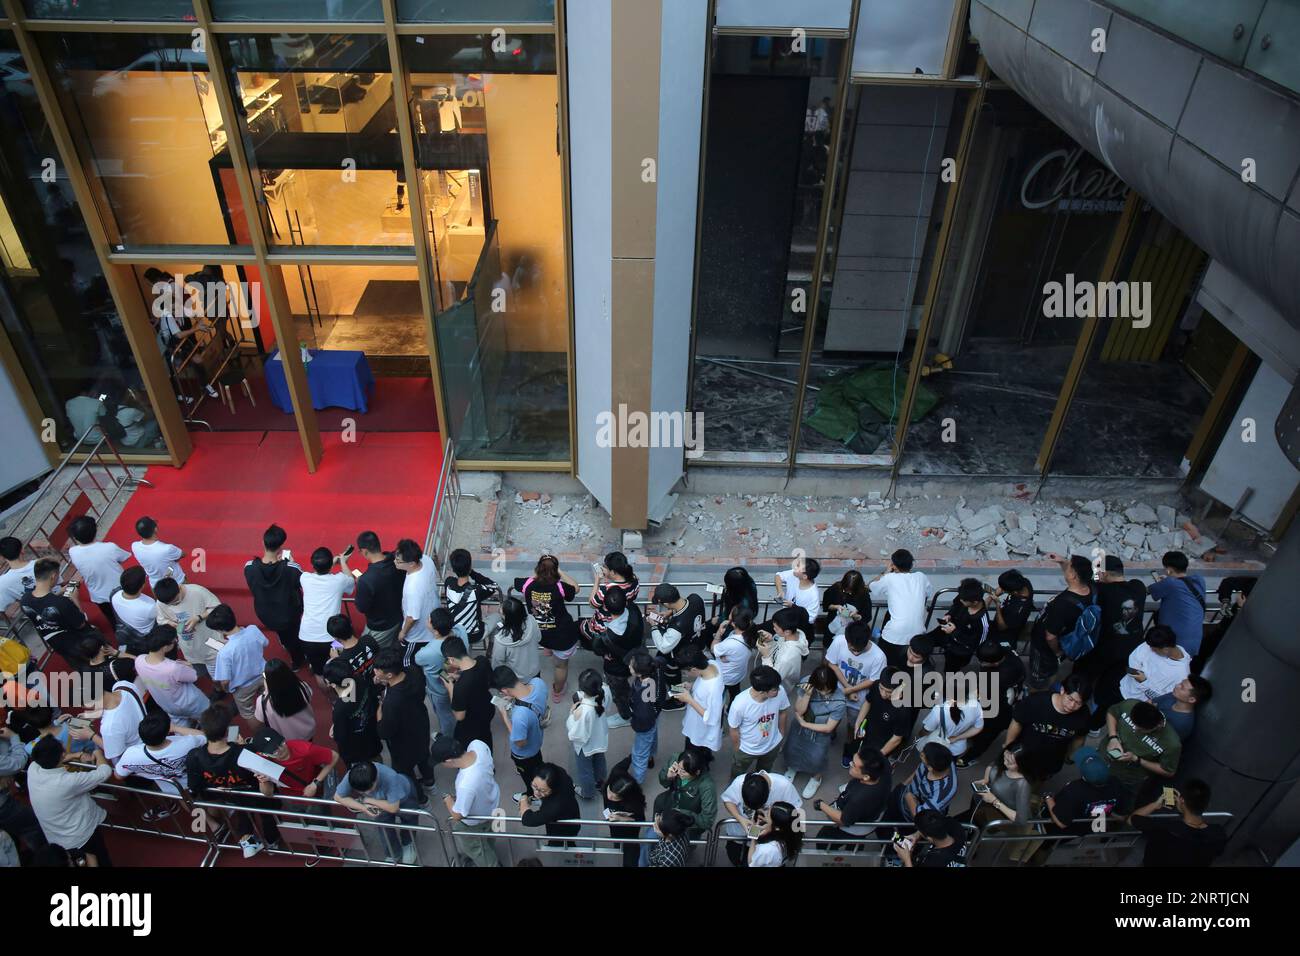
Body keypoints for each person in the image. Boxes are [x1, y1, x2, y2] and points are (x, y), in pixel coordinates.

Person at [184, 706, 277, 858]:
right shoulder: (246, 751)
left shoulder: (194, 756)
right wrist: (241, 746)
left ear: (204, 730)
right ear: (226, 731)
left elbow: (194, 786)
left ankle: (247, 840)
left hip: (228, 795)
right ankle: (272, 842)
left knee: (242, 812)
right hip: (255, 794)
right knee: (268, 815)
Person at [27, 736, 114, 866]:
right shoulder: (66, 782)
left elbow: (57, 759)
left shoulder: (33, 768)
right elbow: (104, 772)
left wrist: (76, 755)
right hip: (81, 834)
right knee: (101, 860)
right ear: (62, 755)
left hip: (57, 836)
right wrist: (97, 752)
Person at [334, 759, 423, 864]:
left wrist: (367, 800)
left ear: (376, 779)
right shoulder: (353, 775)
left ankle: (407, 844)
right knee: (384, 828)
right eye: (361, 791)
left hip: (405, 797)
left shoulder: (390, 777)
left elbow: (393, 807)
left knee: (409, 821)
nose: (366, 792)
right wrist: (364, 808)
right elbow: (338, 797)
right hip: (380, 803)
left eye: (369, 789)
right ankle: (393, 853)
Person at [518, 555, 581, 703]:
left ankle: (548, 649)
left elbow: (519, 582)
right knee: (560, 666)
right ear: (555, 571)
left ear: (538, 568)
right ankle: (557, 692)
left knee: (546, 640)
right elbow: (576, 588)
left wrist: (539, 572)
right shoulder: (560, 587)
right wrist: (560, 572)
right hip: (561, 636)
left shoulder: (527, 584)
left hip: (539, 633)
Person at [1079, 556, 1146, 693]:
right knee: (1115, 683)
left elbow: (1084, 584)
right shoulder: (1138, 587)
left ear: (1104, 574)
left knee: (1084, 676)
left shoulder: (1101, 590)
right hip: (1133, 649)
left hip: (1105, 648)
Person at [1004, 672, 1092, 777]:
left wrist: (1070, 756)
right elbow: (1017, 721)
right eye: (1070, 699)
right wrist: (1008, 746)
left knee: (1040, 780)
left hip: (1051, 761)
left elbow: (1080, 736)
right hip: (1023, 753)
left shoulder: (1084, 715)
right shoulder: (1036, 701)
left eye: (1078, 703)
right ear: (1062, 690)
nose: (1072, 705)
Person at [372, 647, 433, 798]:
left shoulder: (392, 702)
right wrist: (384, 682)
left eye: (377, 670)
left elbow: (384, 732)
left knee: (405, 771)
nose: (375, 672)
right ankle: (430, 782)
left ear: (390, 675)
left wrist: (379, 712)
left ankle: (420, 798)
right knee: (424, 756)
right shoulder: (413, 671)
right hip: (421, 724)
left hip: (403, 741)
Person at [433, 735, 502, 868]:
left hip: (475, 821)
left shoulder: (466, 783)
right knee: (490, 838)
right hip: (493, 804)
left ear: (448, 760)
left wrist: (448, 799)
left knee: (477, 850)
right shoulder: (478, 744)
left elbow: (458, 815)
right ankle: (491, 854)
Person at [244, 524, 306, 670]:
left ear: (263, 542)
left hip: (266, 613)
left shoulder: (249, 567)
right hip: (289, 614)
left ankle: (286, 643)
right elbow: (305, 581)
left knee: (285, 635)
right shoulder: (290, 568)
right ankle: (297, 660)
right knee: (292, 637)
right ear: (281, 547)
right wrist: (291, 562)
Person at [1029, 554, 1096, 689]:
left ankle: (1039, 691)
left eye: (1069, 567)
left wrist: (1057, 652)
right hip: (1066, 637)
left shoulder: (1062, 605)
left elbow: (1050, 636)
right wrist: (1063, 562)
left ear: (1073, 576)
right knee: (1052, 667)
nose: (1067, 569)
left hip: (1045, 649)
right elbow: (1075, 575)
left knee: (1042, 673)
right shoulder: (1090, 587)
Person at [956, 639, 1026, 766]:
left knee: (987, 734)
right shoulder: (1003, 649)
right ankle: (974, 735)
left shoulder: (998, 679)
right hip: (1010, 694)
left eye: (982, 662)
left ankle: (972, 756)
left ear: (994, 662)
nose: (980, 663)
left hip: (1000, 708)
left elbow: (979, 695)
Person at [824, 620, 886, 765]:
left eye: (859, 650)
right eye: (852, 649)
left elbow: (873, 680)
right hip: (839, 690)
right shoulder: (839, 642)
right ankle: (831, 732)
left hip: (860, 699)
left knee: (853, 726)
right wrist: (847, 688)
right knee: (833, 715)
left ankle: (849, 748)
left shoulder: (879, 656)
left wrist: (851, 690)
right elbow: (832, 663)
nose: (855, 652)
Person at [1129, 778, 1227, 867]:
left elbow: (1131, 819)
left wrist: (1155, 804)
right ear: (1207, 805)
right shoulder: (1218, 833)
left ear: (1181, 800)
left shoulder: (1163, 828)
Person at [642, 746, 716, 864]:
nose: (679, 773)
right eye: (679, 768)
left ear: (697, 772)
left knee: (680, 854)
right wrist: (668, 777)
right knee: (648, 840)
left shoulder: (707, 786)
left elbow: (707, 820)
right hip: (666, 814)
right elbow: (663, 780)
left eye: (684, 772)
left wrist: (681, 814)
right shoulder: (676, 759)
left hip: (687, 827)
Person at [1102, 700, 1181, 810]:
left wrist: (1136, 759)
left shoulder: (1172, 743)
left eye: (1141, 729)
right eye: (1133, 723)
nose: (1135, 728)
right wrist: (1113, 737)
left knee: (1121, 804)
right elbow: (1112, 712)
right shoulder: (1131, 705)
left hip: (1128, 777)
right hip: (1103, 757)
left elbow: (1168, 771)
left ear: (1157, 726)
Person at [782, 663, 846, 799]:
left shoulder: (839, 700)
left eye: (827, 690)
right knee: (794, 747)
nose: (823, 693)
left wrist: (805, 724)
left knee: (817, 756)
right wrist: (807, 695)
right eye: (820, 689)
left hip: (819, 731)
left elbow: (829, 727)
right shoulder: (806, 683)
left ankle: (816, 778)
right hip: (800, 727)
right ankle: (793, 767)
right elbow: (799, 710)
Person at [813, 744, 891, 849]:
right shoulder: (883, 767)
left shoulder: (859, 799)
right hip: (872, 814)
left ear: (866, 777)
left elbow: (843, 819)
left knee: (822, 841)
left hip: (854, 826)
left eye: (854, 765)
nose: (850, 763)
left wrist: (821, 805)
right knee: (855, 844)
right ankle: (856, 847)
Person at [21, 558, 96, 663]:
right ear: (53, 576)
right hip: (82, 643)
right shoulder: (62, 603)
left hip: (58, 645)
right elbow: (81, 623)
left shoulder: (25, 599)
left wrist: (60, 591)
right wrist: (74, 598)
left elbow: (42, 602)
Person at [114, 711, 206, 798]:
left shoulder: (131, 755)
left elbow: (118, 775)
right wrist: (175, 728)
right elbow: (204, 736)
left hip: (172, 789)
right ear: (167, 731)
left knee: (186, 803)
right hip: (196, 781)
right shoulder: (187, 743)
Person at [719, 769, 802, 866]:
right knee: (735, 857)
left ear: (768, 792)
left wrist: (773, 829)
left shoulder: (784, 786)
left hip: (769, 842)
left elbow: (795, 814)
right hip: (739, 836)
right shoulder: (739, 782)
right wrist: (740, 818)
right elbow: (728, 800)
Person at [868, 549, 934, 668]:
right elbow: (928, 593)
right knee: (906, 667)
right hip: (917, 634)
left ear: (894, 565)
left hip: (893, 635)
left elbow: (871, 586)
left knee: (886, 665)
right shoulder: (921, 577)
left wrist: (886, 572)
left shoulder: (890, 578)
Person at [646, 583, 707, 709]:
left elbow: (663, 647)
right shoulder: (695, 598)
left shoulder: (678, 626)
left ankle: (678, 701)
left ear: (667, 603)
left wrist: (653, 626)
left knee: (672, 676)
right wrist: (670, 612)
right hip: (696, 643)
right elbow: (687, 610)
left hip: (679, 654)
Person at [491, 665, 549, 797]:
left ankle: (533, 795)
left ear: (505, 690)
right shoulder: (538, 683)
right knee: (537, 763)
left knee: (528, 775)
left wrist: (505, 717)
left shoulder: (519, 715)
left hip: (524, 754)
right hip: (537, 740)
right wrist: (514, 698)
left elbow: (520, 743)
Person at [298, 545, 354, 678]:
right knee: (339, 667)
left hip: (307, 637)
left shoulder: (304, 578)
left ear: (312, 564)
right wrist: (343, 562)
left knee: (319, 673)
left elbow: (319, 572)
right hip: (333, 638)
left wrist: (331, 563)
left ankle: (329, 697)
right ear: (330, 565)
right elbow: (350, 580)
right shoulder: (339, 580)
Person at [207, 604, 270, 721]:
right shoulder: (253, 629)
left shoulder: (224, 652)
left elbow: (224, 681)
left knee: (248, 713)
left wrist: (226, 689)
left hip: (243, 686)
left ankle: (261, 735)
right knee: (269, 702)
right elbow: (265, 643)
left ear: (220, 630)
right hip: (264, 675)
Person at [67, 516, 130, 630]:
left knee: (113, 621)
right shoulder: (109, 547)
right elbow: (124, 557)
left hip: (99, 596)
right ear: (95, 530)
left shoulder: (73, 552)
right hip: (121, 589)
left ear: (75, 537)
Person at [589, 587, 642, 723]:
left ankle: (625, 716)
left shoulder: (606, 636)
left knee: (619, 694)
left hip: (615, 668)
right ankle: (633, 699)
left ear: (606, 606)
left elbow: (598, 650)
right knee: (627, 686)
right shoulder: (634, 610)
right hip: (636, 656)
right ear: (625, 603)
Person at [727, 664, 790, 778]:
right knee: (738, 775)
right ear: (762, 691)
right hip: (746, 749)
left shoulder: (780, 692)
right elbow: (734, 728)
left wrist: (781, 735)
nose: (779, 690)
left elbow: (783, 712)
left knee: (763, 774)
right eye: (774, 689)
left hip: (772, 745)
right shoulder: (740, 704)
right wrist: (738, 749)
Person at [1045, 746, 1125, 835]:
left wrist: (1048, 798)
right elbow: (1119, 812)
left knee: (1047, 841)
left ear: (1084, 778)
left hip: (1070, 830)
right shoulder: (1116, 783)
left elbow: (1061, 823)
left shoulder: (1074, 790)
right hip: (1091, 825)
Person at [134, 625, 207, 722]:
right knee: (209, 719)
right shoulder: (173, 668)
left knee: (183, 732)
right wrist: (189, 666)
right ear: (165, 647)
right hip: (190, 703)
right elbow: (193, 676)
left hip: (167, 706)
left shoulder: (139, 660)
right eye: (174, 641)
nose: (176, 643)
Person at [153, 577, 220, 677]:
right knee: (201, 671)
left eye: (176, 601)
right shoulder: (162, 601)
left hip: (211, 639)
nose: (174, 605)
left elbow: (217, 607)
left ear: (179, 588)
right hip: (188, 646)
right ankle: (216, 687)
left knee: (219, 672)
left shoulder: (197, 591)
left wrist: (199, 618)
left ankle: (220, 687)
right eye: (170, 604)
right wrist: (171, 624)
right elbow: (161, 619)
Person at [414, 608, 466, 738]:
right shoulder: (461, 630)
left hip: (439, 690)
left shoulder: (428, 652)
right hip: (459, 681)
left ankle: (448, 739)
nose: (427, 621)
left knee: (445, 716)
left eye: (429, 620)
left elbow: (417, 659)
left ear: (436, 631)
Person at [322, 657, 382, 766]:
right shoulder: (359, 679)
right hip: (372, 735)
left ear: (332, 684)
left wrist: (335, 730)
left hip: (356, 750)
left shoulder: (340, 708)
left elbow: (341, 738)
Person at [247, 727, 338, 798]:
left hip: (314, 796)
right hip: (290, 798)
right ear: (265, 754)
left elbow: (334, 756)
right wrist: (263, 781)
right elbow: (268, 793)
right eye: (274, 750)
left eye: (281, 743)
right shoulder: (263, 761)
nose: (281, 749)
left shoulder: (305, 750)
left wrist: (315, 783)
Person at [1148, 550, 1208, 656]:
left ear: (1168, 570)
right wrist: (1168, 580)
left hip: (1175, 642)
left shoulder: (1170, 583)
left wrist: (1164, 582)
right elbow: (1181, 584)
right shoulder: (1199, 580)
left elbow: (1148, 591)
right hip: (1195, 640)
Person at [92, 658, 151, 765]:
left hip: (137, 758)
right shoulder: (123, 686)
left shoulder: (108, 726)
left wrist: (91, 736)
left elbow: (115, 752)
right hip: (149, 736)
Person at [853, 665, 917, 764]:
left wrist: (879, 755)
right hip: (868, 733)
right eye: (881, 688)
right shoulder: (876, 685)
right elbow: (868, 702)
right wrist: (858, 722)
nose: (883, 694)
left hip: (884, 743)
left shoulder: (904, 709)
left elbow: (897, 738)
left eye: (889, 692)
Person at [967, 744, 1042, 828]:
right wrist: (986, 779)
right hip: (982, 806)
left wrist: (994, 801)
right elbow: (992, 765)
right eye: (1005, 757)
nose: (1005, 762)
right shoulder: (1004, 762)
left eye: (1010, 762)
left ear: (1022, 765)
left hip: (996, 817)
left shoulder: (1022, 784)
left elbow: (1021, 821)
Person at [352, 531, 405, 648]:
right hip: (398, 617)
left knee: (371, 653)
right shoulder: (397, 561)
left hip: (380, 627)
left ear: (364, 551)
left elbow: (361, 607)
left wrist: (360, 584)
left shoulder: (366, 580)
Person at [0, 724, 46, 858]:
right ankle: (46, 857)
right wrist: (14, 738)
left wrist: (6, 771)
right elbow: (18, 762)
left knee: (9, 838)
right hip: (3, 806)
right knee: (33, 826)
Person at [567, 667, 612, 801]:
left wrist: (572, 714)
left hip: (585, 745)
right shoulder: (606, 690)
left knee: (585, 770)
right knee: (600, 760)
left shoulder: (584, 711)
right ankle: (601, 782)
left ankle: (587, 792)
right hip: (600, 737)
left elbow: (575, 734)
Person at [442, 635, 494, 749]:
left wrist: (451, 688)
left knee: (470, 746)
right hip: (487, 708)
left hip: (472, 722)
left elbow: (459, 716)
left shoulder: (460, 687)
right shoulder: (483, 661)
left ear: (451, 659)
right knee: (486, 738)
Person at [444, 548, 501, 647]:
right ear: (470, 566)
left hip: (455, 634)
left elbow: (453, 580)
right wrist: (472, 573)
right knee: (498, 617)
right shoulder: (476, 591)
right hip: (474, 635)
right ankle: (491, 647)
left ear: (453, 569)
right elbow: (493, 585)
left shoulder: (448, 584)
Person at [395, 538, 440, 665]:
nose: (395, 562)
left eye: (398, 561)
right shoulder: (426, 559)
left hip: (418, 635)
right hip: (432, 617)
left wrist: (403, 633)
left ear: (411, 564)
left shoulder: (413, 588)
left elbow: (412, 617)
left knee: (408, 661)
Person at [1119, 625, 1190, 704]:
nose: (1151, 650)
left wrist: (1143, 681)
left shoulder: (1181, 675)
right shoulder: (1156, 642)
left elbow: (1162, 698)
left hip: (1136, 702)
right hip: (1123, 686)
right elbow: (1135, 657)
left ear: (1165, 649)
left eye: (1154, 650)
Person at [929, 578, 989, 672]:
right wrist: (949, 614)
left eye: (963, 601)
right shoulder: (964, 597)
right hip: (947, 631)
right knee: (925, 641)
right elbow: (956, 605)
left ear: (975, 602)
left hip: (959, 650)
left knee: (950, 671)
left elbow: (976, 643)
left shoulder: (982, 621)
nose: (961, 600)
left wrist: (954, 632)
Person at [581, 550, 640, 645]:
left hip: (604, 626)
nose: (603, 569)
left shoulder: (607, 589)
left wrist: (597, 581)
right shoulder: (634, 580)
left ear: (613, 572)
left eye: (605, 567)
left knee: (580, 626)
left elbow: (592, 604)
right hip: (623, 621)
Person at [890, 741, 957, 823]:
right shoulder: (944, 760)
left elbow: (920, 816)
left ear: (930, 768)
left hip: (910, 812)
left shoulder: (943, 791)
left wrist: (908, 796)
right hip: (906, 790)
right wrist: (904, 784)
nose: (921, 753)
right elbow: (918, 770)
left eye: (922, 756)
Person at [676, 646, 725, 754]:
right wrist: (691, 685)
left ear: (693, 669)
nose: (686, 675)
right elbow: (702, 685)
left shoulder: (713, 688)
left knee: (693, 754)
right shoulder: (712, 664)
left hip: (700, 729)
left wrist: (689, 700)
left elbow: (711, 717)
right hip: (697, 724)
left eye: (685, 672)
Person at [253, 658, 317, 741]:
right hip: (307, 732)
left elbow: (260, 720)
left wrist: (266, 689)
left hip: (287, 740)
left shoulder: (262, 702)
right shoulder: (302, 687)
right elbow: (309, 697)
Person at [517, 763, 582, 843]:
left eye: (543, 791)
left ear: (553, 789)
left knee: (563, 842)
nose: (536, 793)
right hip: (573, 812)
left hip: (563, 829)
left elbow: (528, 819)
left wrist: (524, 799)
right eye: (534, 786)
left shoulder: (554, 807)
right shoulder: (560, 773)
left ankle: (574, 850)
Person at [626, 649, 664, 784]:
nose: (629, 667)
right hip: (654, 714)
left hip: (644, 723)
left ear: (639, 673)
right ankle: (651, 756)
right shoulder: (655, 669)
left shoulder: (642, 694)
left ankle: (636, 784)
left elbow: (642, 715)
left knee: (638, 754)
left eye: (631, 666)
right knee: (652, 734)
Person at [756, 606, 810, 693]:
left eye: (776, 628)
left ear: (787, 631)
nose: (773, 629)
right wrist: (771, 641)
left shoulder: (787, 658)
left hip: (780, 687)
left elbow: (773, 678)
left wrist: (766, 656)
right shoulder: (797, 633)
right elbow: (779, 646)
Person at [712, 606, 757, 707]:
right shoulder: (750, 634)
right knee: (735, 693)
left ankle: (720, 713)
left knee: (719, 698)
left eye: (730, 614)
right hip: (738, 674)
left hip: (725, 677)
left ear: (733, 623)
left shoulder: (731, 643)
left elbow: (713, 649)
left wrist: (718, 633)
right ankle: (731, 709)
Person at [489, 596, 541, 683]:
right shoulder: (531, 621)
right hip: (535, 671)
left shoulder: (501, 639)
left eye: (501, 613)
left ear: (508, 618)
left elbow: (497, 663)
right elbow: (539, 638)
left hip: (516, 679)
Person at [892, 808, 968, 867]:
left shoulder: (933, 862)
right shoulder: (956, 828)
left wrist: (906, 860)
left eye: (919, 831)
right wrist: (917, 835)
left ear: (929, 838)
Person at [602, 769, 647, 867]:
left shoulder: (634, 804)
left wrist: (624, 819)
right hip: (614, 829)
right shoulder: (609, 786)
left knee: (629, 858)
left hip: (629, 833)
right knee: (617, 846)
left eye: (615, 797)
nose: (609, 797)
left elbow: (641, 820)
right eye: (609, 792)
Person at [326, 613, 379, 692]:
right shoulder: (368, 639)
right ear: (350, 625)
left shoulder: (340, 661)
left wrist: (335, 660)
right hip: (378, 682)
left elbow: (344, 687)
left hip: (361, 693)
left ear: (335, 637)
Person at [110, 566, 156, 653]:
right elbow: (161, 614)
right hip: (146, 635)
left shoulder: (114, 594)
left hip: (127, 628)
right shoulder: (149, 606)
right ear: (142, 585)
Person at [131, 516, 184, 589]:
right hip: (177, 582)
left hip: (156, 586)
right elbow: (182, 554)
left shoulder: (134, 546)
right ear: (155, 529)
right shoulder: (167, 549)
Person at [1155, 675, 1211, 741]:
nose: (1177, 685)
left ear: (1191, 700)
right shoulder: (1173, 696)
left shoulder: (1181, 723)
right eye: (1180, 683)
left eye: (1182, 687)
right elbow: (1150, 702)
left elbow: (1161, 742)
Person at [986, 569, 1034, 647]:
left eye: (1004, 589)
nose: (1001, 589)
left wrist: (998, 605)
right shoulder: (1024, 583)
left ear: (1014, 592)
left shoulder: (1016, 610)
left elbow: (1002, 627)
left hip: (1003, 637)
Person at [747, 801, 802, 867]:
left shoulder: (766, 850)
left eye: (768, 815)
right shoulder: (793, 831)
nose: (765, 813)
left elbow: (751, 862)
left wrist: (754, 834)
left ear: (777, 828)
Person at [823, 569, 872, 638]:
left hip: (852, 632)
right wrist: (836, 607)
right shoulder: (836, 588)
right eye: (846, 589)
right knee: (829, 645)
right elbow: (826, 605)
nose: (848, 592)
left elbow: (867, 616)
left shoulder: (864, 594)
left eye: (851, 591)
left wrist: (856, 616)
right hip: (833, 626)